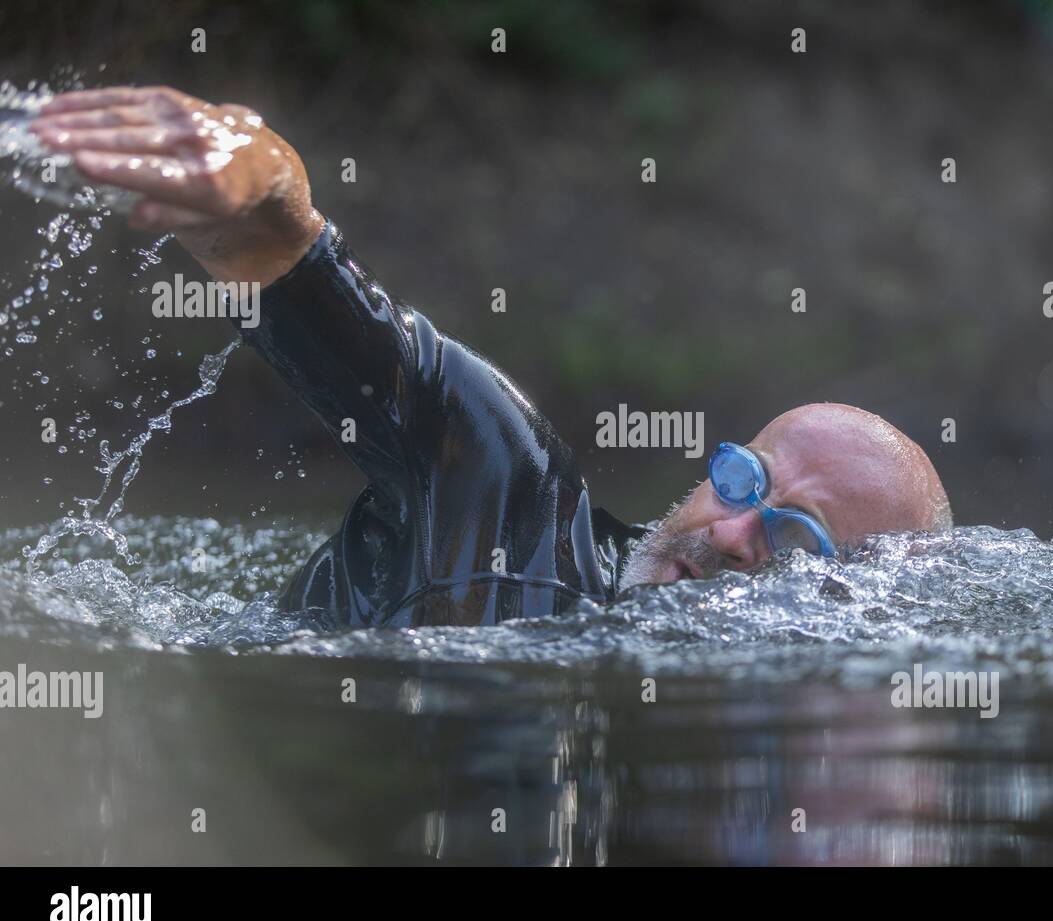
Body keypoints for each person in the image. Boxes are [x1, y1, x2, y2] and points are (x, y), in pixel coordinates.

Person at [31, 86, 952, 628]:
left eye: (793, 538)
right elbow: (302, 267)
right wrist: (252, 182)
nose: (729, 533)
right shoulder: (508, 489)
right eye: (744, 482)